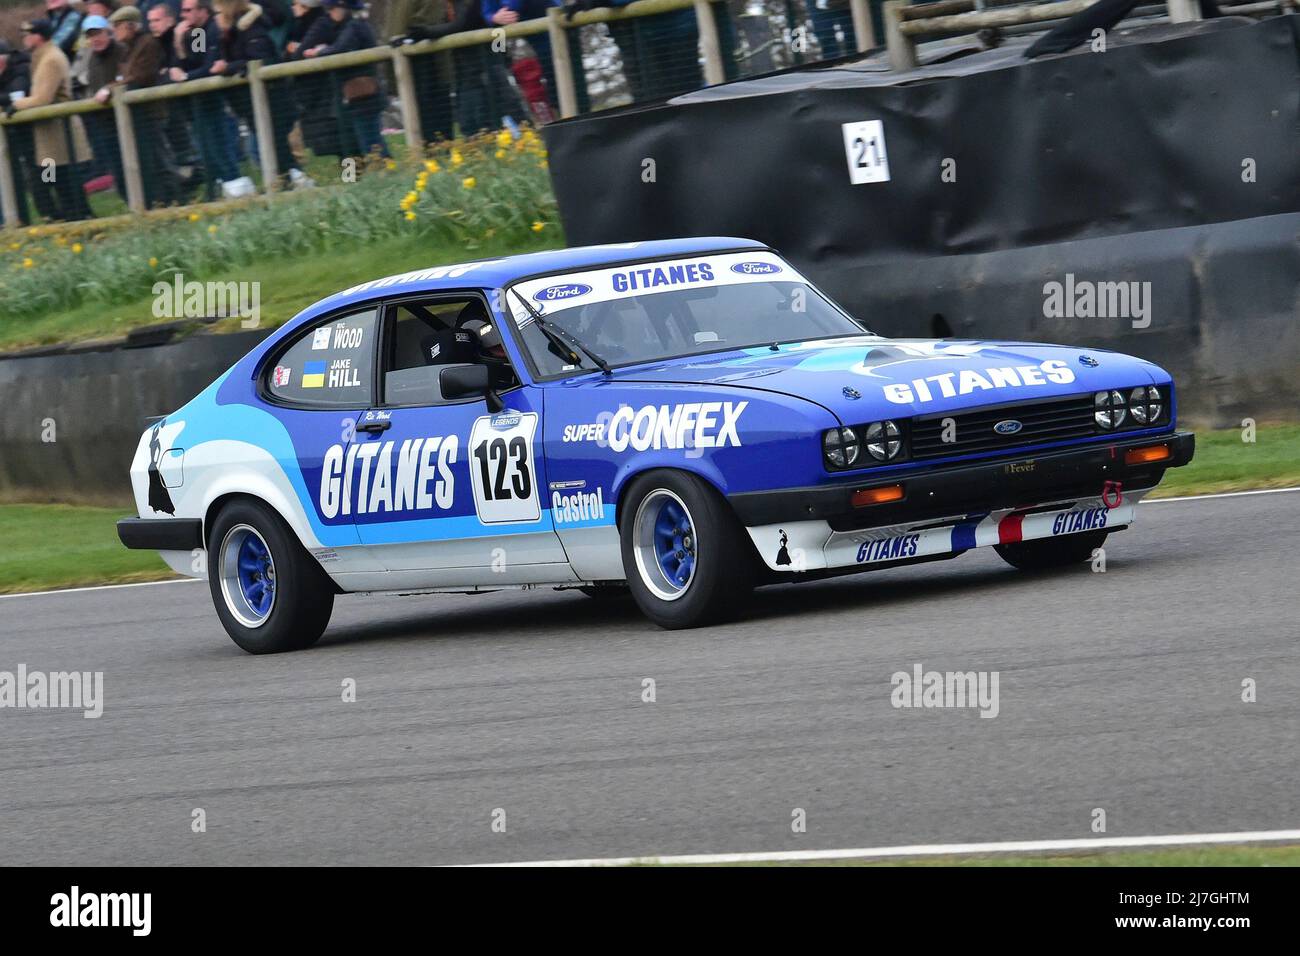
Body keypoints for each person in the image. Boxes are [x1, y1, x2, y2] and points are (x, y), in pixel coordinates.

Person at [211, 0, 311, 188]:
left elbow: (258, 58)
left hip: (267, 98)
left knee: (270, 148)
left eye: (189, 9)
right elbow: (197, 58)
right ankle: (286, 184)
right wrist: (183, 49)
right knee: (266, 149)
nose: (185, 13)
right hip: (244, 101)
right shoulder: (199, 32)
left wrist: (226, 67)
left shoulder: (248, 28)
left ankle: (286, 184)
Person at [9, 19, 93, 220]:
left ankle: (80, 216)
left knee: (63, 179)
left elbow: (43, 98)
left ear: (38, 36)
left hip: (58, 136)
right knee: (53, 178)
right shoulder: (42, 57)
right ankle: (66, 216)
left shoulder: (50, 60)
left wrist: (16, 105)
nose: (24, 38)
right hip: (49, 137)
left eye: (28, 34)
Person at [407, 0, 522, 135]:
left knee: (494, 113)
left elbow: (464, 24)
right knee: (470, 121)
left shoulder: (472, 4)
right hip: (466, 71)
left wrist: (426, 32)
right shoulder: (448, 6)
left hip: (485, 68)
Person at [302, 0, 389, 158]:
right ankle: (359, 175)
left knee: (370, 141)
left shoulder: (354, 26)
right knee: (366, 139)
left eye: (331, 8)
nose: (329, 12)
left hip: (361, 94)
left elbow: (339, 49)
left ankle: (384, 172)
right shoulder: (356, 24)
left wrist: (320, 51)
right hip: (355, 94)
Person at [386, 0, 454, 142]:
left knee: (435, 120)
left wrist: (408, 36)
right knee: (419, 116)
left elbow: (429, 17)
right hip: (406, 61)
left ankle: (441, 152)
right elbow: (393, 29)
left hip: (430, 61)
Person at [75, 15, 125, 198]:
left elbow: (126, 77)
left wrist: (109, 89)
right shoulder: (92, 58)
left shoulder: (121, 51)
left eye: (98, 33)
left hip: (128, 121)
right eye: (90, 35)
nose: (95, 39)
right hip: (105, 124)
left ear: (108, 32)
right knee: (118, 171)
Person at [0, 39, 37, 225]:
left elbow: (18, 94)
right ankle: (25, 220)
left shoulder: (21, 68)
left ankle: (71, 214)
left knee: (49, 175)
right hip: (13, 137)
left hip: (40, 135)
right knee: (19, 178)